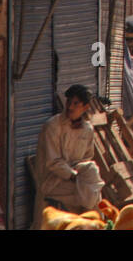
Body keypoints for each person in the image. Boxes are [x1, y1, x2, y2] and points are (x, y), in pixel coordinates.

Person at [37, 84, 105, 213]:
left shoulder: (87, 129)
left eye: (76, 103)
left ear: (86, 107)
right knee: (91, 196)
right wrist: (73, 176)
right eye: (69, 102)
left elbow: (87, 157)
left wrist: (80, 173)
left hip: (76, 178)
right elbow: (53, 162)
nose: (70, 107)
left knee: (92, 189)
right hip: (53, 181)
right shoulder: (53, 126)